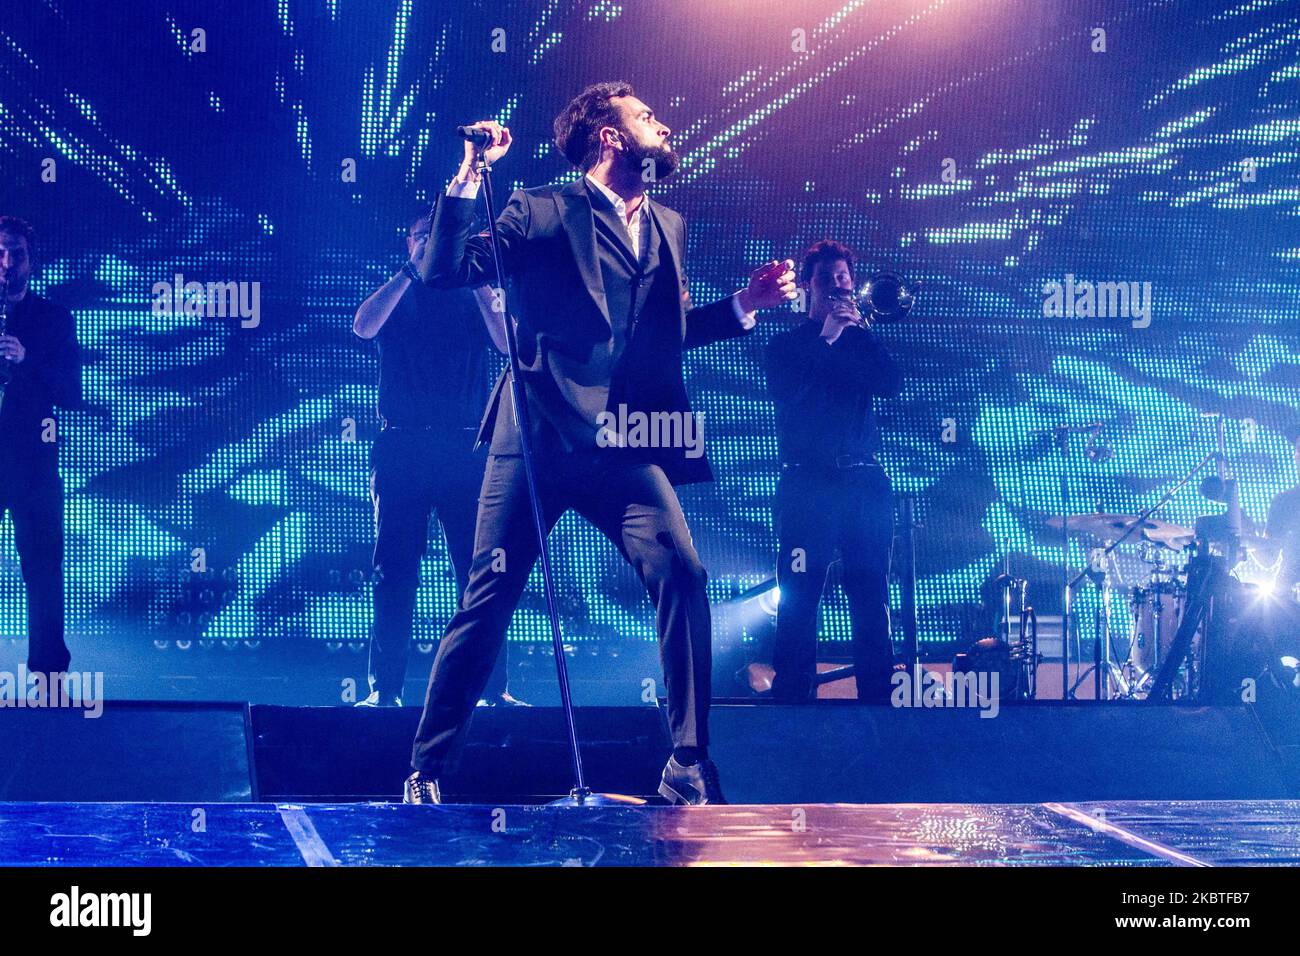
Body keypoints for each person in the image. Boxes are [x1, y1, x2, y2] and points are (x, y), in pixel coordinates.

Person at [404, 81, 796, 805]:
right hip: (540, 434)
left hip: (626, 441)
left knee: (682, 571)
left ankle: (686, 760)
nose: (663, 121)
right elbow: (442, 270)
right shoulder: (545, 207)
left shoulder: (669, 224)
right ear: (610, 137)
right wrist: (471, 175)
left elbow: (663, 332)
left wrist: (746, 306)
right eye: (647, 116)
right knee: (489, 597)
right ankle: (428, 769)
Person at [353, 205, 523, 708]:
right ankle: (385, 691)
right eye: (421, 235)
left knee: (480, 571)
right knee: (395, 570)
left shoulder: (473, 294)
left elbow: (508, 344)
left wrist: (474, 279)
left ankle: (492, 691)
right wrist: (412, 270)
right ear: (407, 243)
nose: (431, 242)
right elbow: (363, 327)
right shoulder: (399, 291)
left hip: (465, 446)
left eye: (440, 235)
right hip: (402, 444)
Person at [764, 239, 902, 702]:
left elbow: (891, 384)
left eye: (844, 278)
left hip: (863, 483)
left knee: (870, 597)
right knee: (800, 595)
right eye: (828, 280)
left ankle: (878, 703)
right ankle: (792, 702)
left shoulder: (861, 341)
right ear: (808, 287)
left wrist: (861, 333)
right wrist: (827, 337)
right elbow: (787, 390)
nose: (839, 287)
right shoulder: (787, 346)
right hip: (808, 483)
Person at [0, 216, 81, 681]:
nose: (8, 263)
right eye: (1, 253)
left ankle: (49, 672)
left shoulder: (53, 319)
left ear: (32, 260)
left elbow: (72, 393)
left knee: (44, 567)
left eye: (18, 253)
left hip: (33, 462)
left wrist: (27, 360)